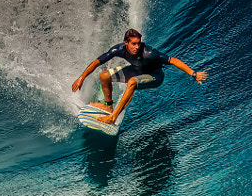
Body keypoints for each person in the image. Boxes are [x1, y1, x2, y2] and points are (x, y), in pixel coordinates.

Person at [72, 28, 208, 125]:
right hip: (136, 70)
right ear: (126, 43)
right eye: (133, 44)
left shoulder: (149, 53)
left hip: (154, 76)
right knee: (104, 76)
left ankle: (113, 117)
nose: (137, 46)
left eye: (139, 43)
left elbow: (173, 60)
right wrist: (81, 77)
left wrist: (193, 73)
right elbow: (97, 62)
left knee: (132, 82)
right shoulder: (119, 49)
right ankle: (108, 107)